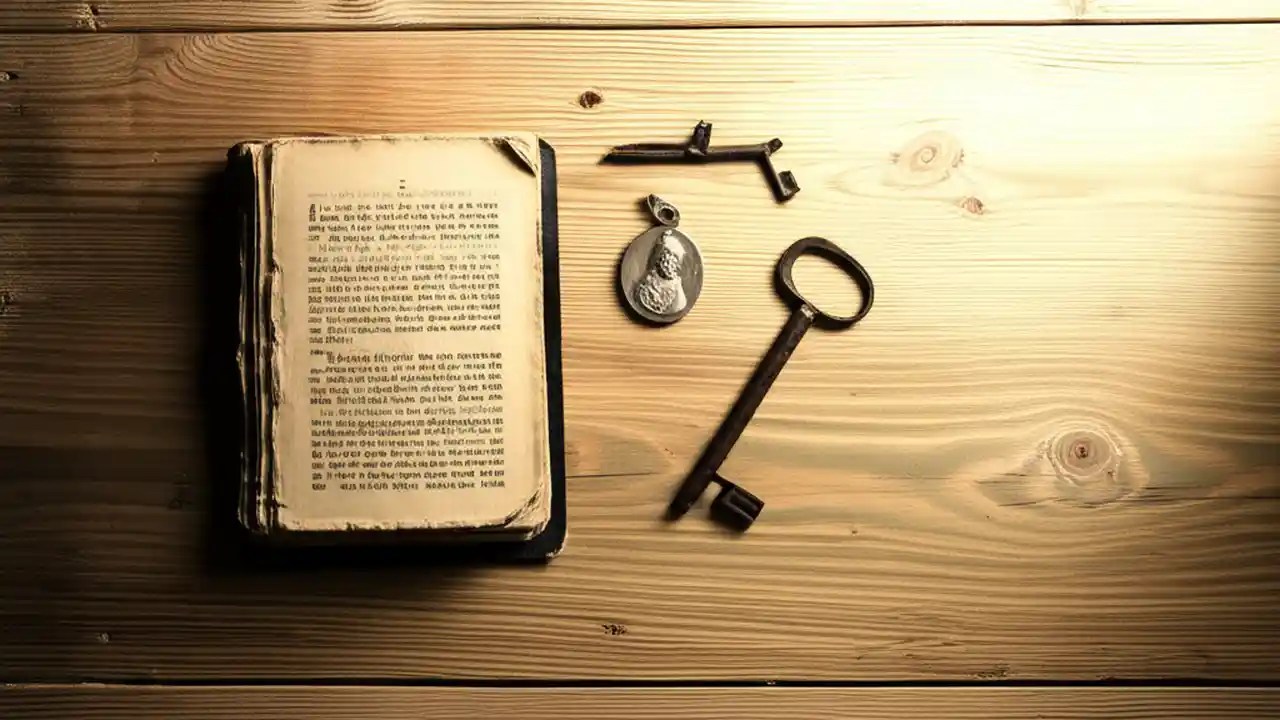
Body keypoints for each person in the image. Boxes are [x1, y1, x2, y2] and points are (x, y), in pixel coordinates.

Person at [635, 230, 687, 316]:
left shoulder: (678, 292)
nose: (668, 261)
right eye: (665, 254)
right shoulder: (646, 287)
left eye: (673, 257)